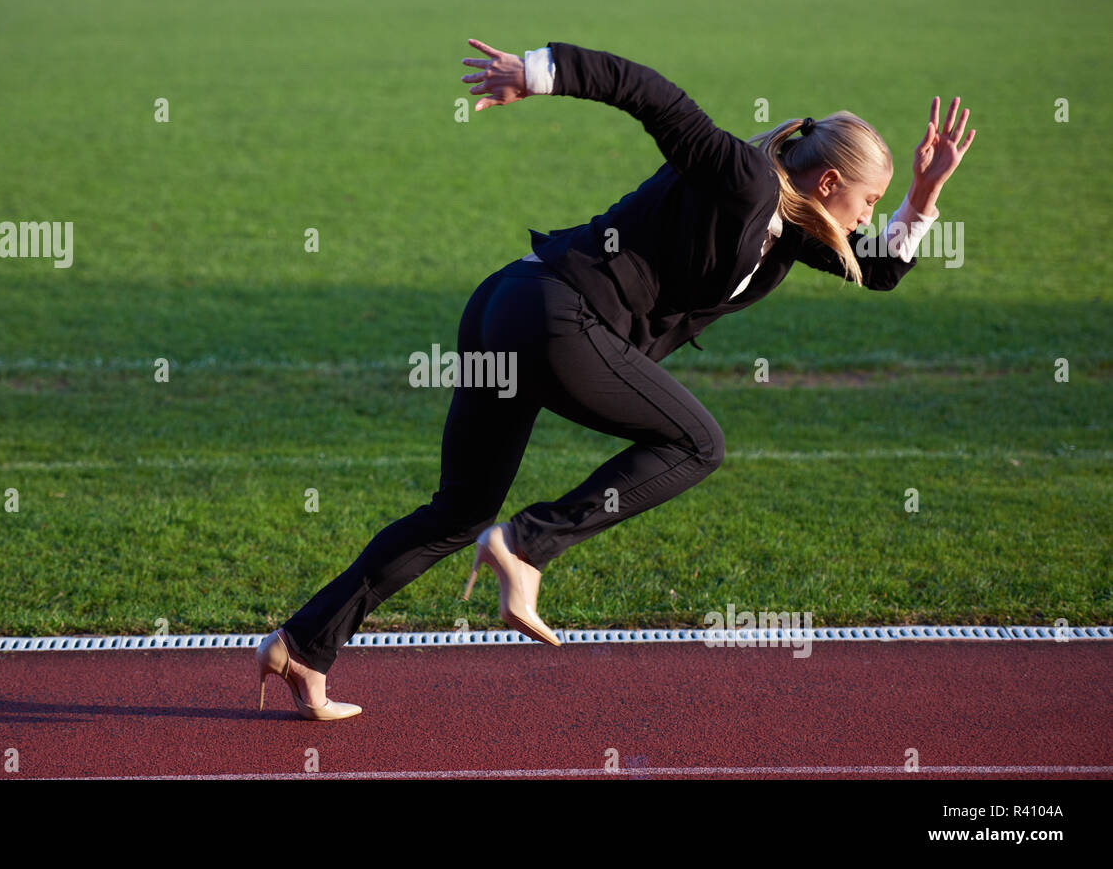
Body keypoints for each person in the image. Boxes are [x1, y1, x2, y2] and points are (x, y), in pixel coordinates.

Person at [257, 38, 975, 720]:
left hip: (508, 307)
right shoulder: (743, 175)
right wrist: (534, 72)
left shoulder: (790, 226)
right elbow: (647, 93)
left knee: (459, 510)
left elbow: (876, 270)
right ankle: (528, 545)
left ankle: (304, 646)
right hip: (556, 319)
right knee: (699, 443)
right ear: (829, 181)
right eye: (870, 201)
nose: (866, 217)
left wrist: (924, 190)